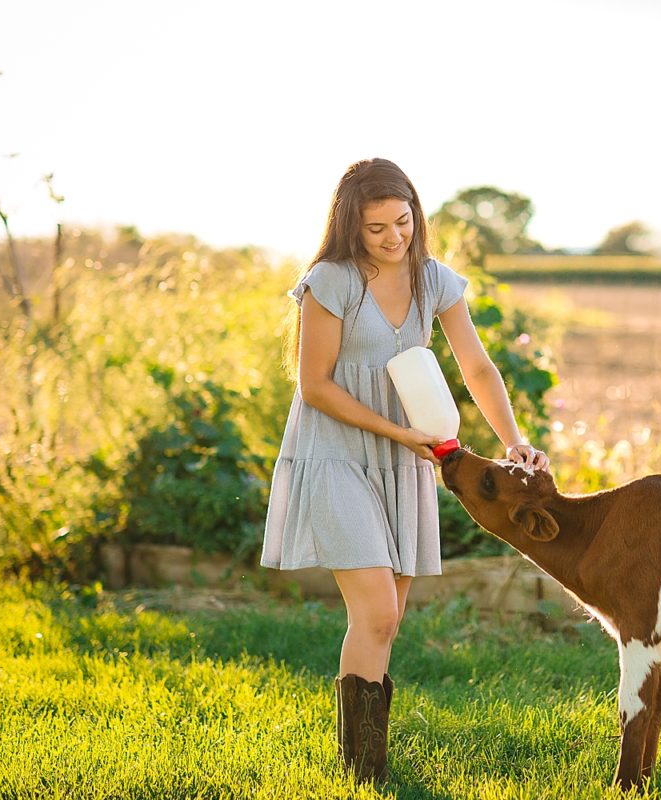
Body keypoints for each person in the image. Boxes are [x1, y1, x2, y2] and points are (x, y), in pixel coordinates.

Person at [261, 158, 549, 783]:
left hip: (405, 460)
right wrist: (406, 434)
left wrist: (514, 441)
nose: (394, 237)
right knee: (377, 615)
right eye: (376, 228)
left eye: (403, 221)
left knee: (388, 619)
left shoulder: (434, 279)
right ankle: (364, 774)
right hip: (336, 451)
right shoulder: (329, 281)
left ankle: (364, 767)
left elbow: (476, 367)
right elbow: (313, 387)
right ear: (350, 227)